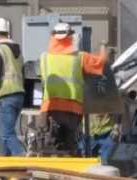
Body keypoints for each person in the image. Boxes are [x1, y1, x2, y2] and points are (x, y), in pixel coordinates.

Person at [39, 23, 108, 157]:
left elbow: (43, 81)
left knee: (48, 146)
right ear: (71, 37)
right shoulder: (80, 57)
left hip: (50, 108)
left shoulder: (44, 57)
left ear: (53, 37)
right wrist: (103, 46)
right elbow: (102, 64)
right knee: (70, 146)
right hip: (73, 109)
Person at [0, 19, 27, 156]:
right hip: (18, 95)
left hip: (7, 96)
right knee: (2, 134)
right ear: (7, 32)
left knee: (6, 133)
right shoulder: (18, 51)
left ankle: (22, 159)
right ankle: (3, 168)